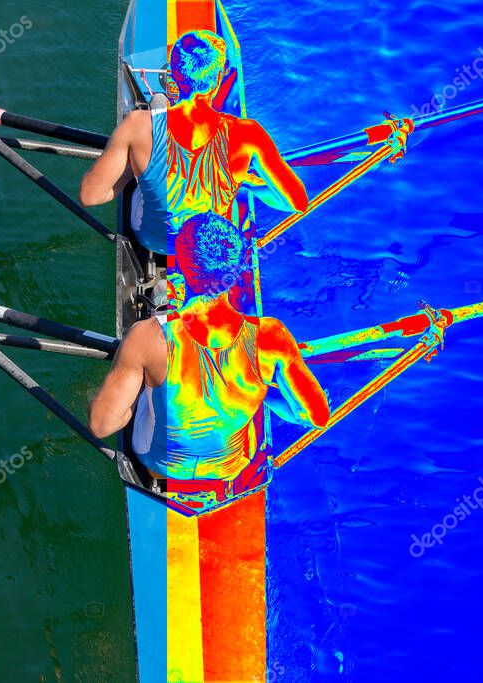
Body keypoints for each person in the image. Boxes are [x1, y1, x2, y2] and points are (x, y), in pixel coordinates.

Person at [88, 213, 330, 482]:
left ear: (178, 267)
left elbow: (102, 426)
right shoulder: (273, 336)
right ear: (238, 272)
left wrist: (127, 367)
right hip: (228, 469)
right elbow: (316, 417)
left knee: (147, 373)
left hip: (158, 463)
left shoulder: (147, 335)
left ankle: (159, 298)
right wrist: (261, 392)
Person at [78, 30, 309, 254]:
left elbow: (91, 196)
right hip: (205, 250)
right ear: (218, 78)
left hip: (154, 240)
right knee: (239, 185)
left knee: (155, 113)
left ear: (174, 76)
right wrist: (249, 185)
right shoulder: (249, 134)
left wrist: (132, 168)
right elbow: (298, 202)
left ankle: (145, 152)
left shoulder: (136, 124)